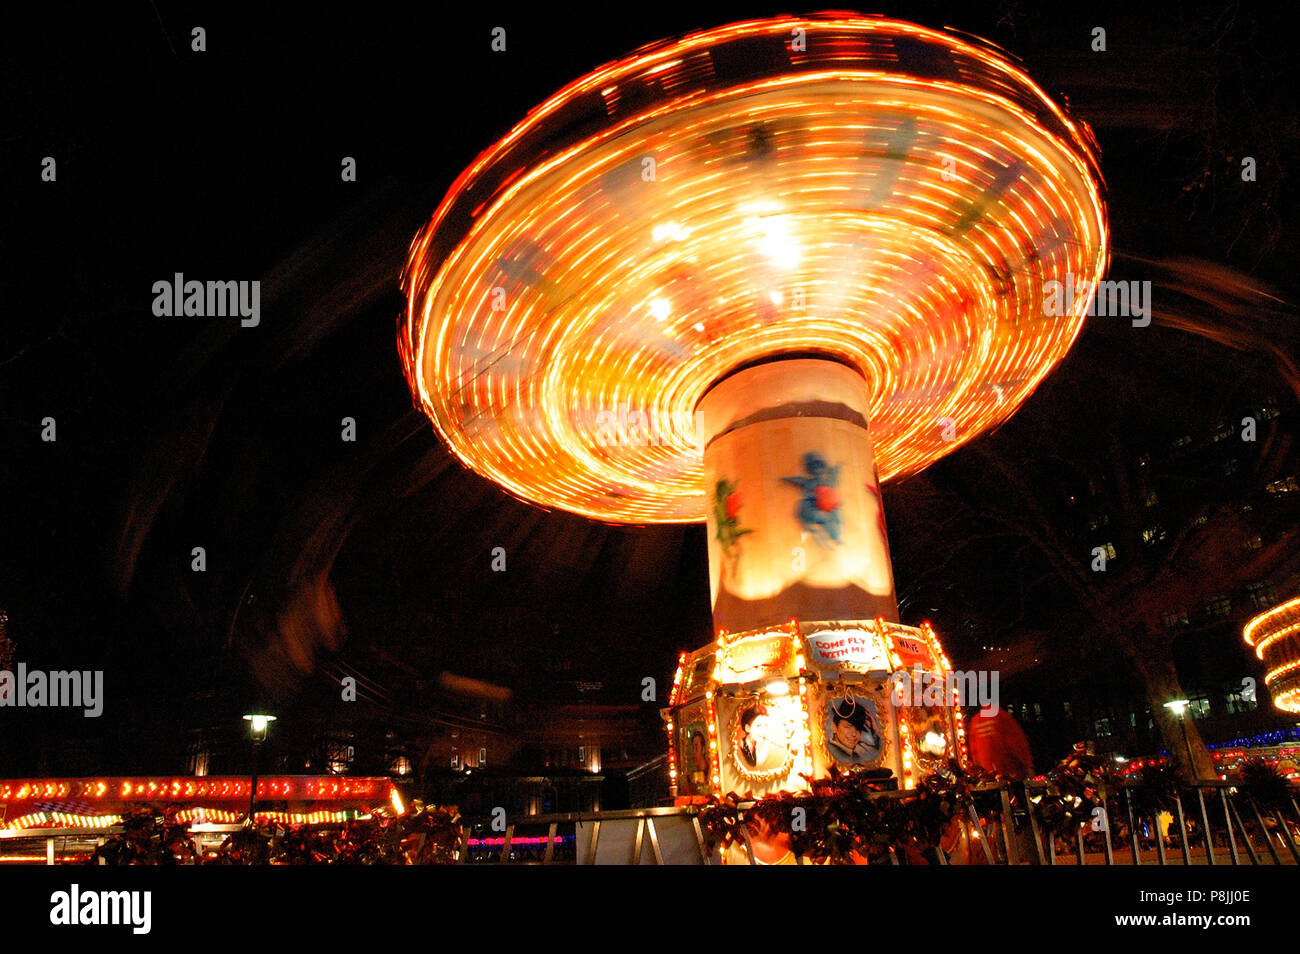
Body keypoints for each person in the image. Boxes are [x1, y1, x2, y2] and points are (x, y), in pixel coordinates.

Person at [966, 704, 1033, 778]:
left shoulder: (975, 720)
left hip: (986, 770)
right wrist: (1027, 764)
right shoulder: (1002, 716)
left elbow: (973, 748)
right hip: (1007, 767)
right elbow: (1016, 742)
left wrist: (978, 766)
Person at [827, 697, 880, 764]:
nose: (854, 734)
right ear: (834, 727)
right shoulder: (829, 751)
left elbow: (877, 752)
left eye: (858, 728)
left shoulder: (862, 748)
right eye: (848, 727)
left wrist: (874, 730)